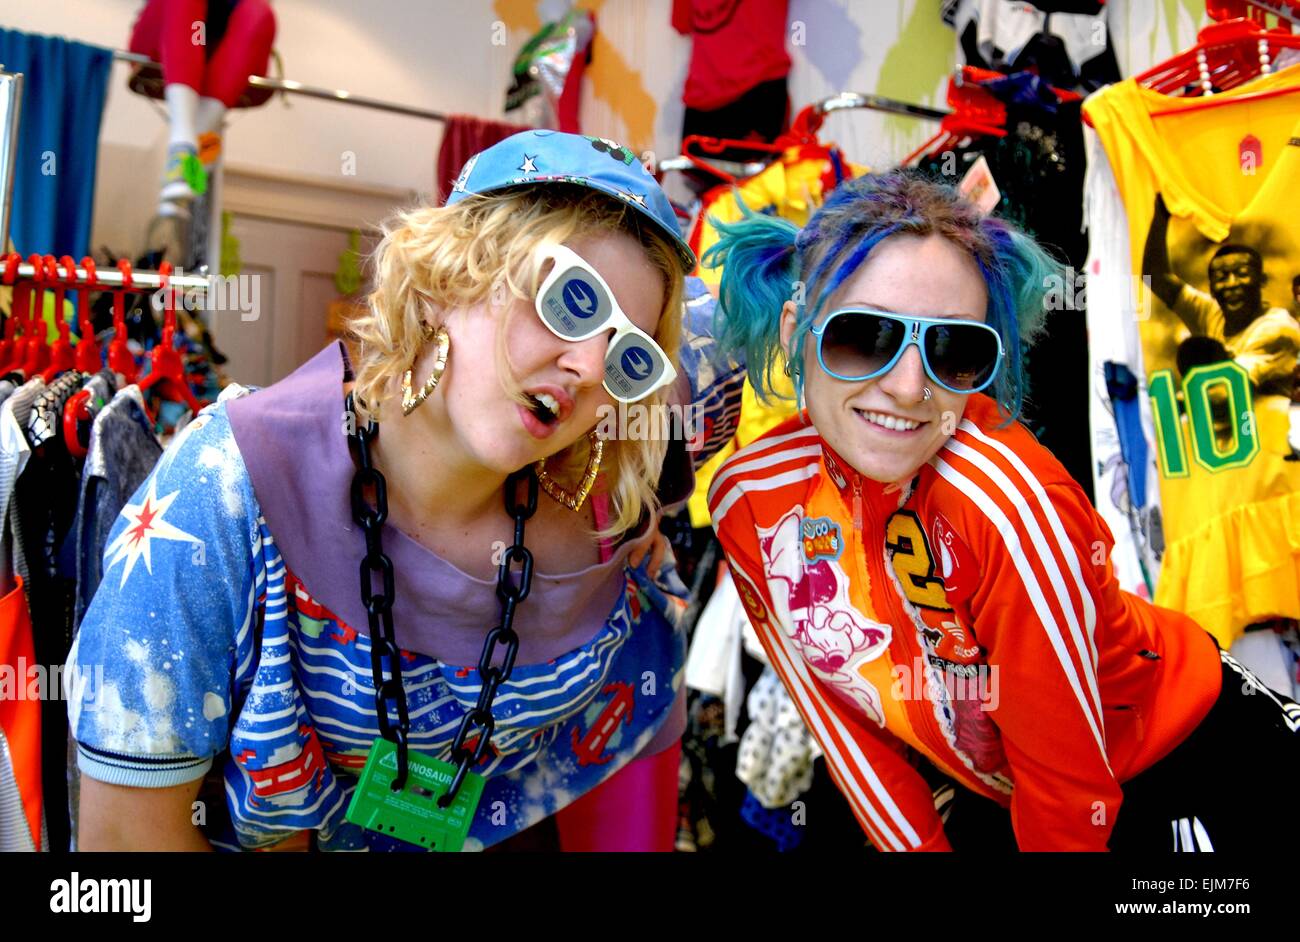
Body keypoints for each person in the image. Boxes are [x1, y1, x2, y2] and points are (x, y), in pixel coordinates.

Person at [68, 130, 740, 852]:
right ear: (448, 281)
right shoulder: (227, 489)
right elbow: (126, 843)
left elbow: (775, 328)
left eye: (628, 355)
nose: (585, 365)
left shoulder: (597, 514)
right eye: (569, 301)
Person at [706, 170, 1300, 851]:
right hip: (1010, 786)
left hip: (1192, 764)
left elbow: (1071, 795)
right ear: (796, 329)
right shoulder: (747, 503)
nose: (908, 388)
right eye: (863, 336)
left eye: (954, 351)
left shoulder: (1007, 506)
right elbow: (849, 738)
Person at [128, 0, 277, 214]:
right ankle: (186, 145)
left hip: (217, 46)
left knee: (259, 12)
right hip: (171, 31)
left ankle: (188, 153)